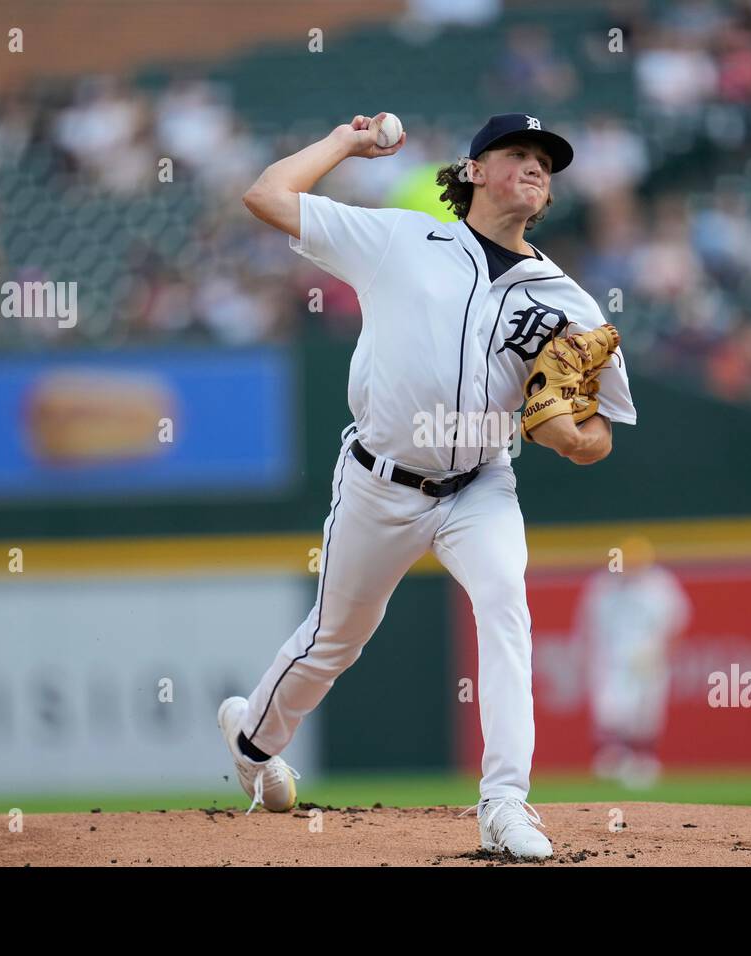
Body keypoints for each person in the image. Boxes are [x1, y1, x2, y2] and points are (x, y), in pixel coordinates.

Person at [220, 112, 637, 858]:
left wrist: (574, 439)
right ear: (473, 171)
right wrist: (345, 144)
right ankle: (251, 743)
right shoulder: (404, 240)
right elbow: (266, 194)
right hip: (380, 483)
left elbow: (601, 432)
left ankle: (506, 805)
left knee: (506, 603)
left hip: (481, 484)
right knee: (335, 639)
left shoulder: (567, 302)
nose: (536, 168)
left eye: (546, 162)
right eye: (517, 154)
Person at [575, 536, 690, 788]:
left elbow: (677, 622)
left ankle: (643, 761)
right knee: (611, 710)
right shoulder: (602, 586)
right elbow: (588, 627)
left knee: (646, 712)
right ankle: (614, 757)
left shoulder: (661, 586)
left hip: (649, 657)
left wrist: (661, 654)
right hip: (612, 659)